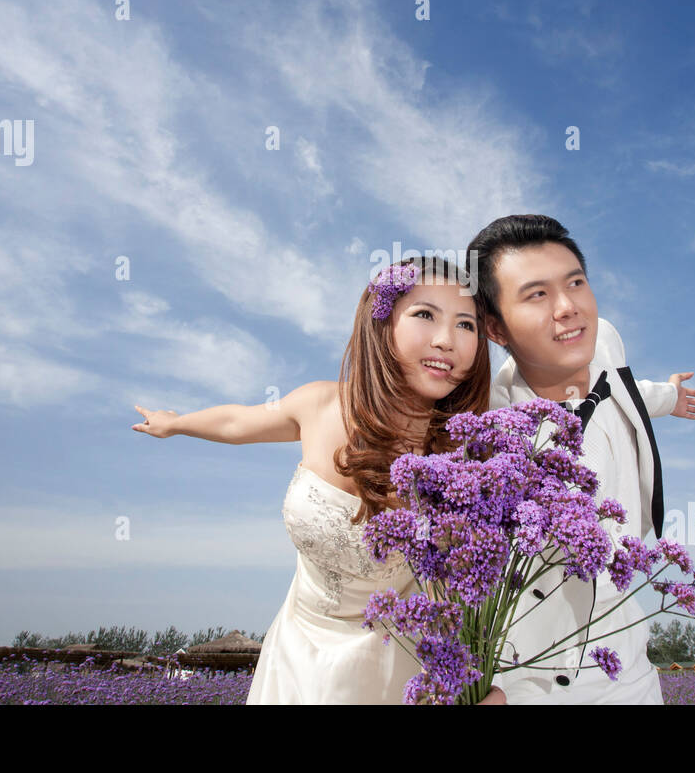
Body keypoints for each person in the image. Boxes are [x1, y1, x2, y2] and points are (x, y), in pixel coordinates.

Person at [132, 253, 497, 704]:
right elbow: (237, 422)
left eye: (466, 325)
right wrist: (177, 422)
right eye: (425, 314)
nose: (447, 340)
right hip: (296, 656)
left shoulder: (468, 455)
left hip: (398, 671)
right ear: (381, 323)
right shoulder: (321, 404)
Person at [465, 214, 695, 704]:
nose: (568, 309)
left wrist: (668, 397)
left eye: (576, 283)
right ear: (495, 327)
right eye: (536, 294)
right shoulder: (494, 439)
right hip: (533, 685)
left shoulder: (604, 340)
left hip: (631, 670)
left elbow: (620, 385)